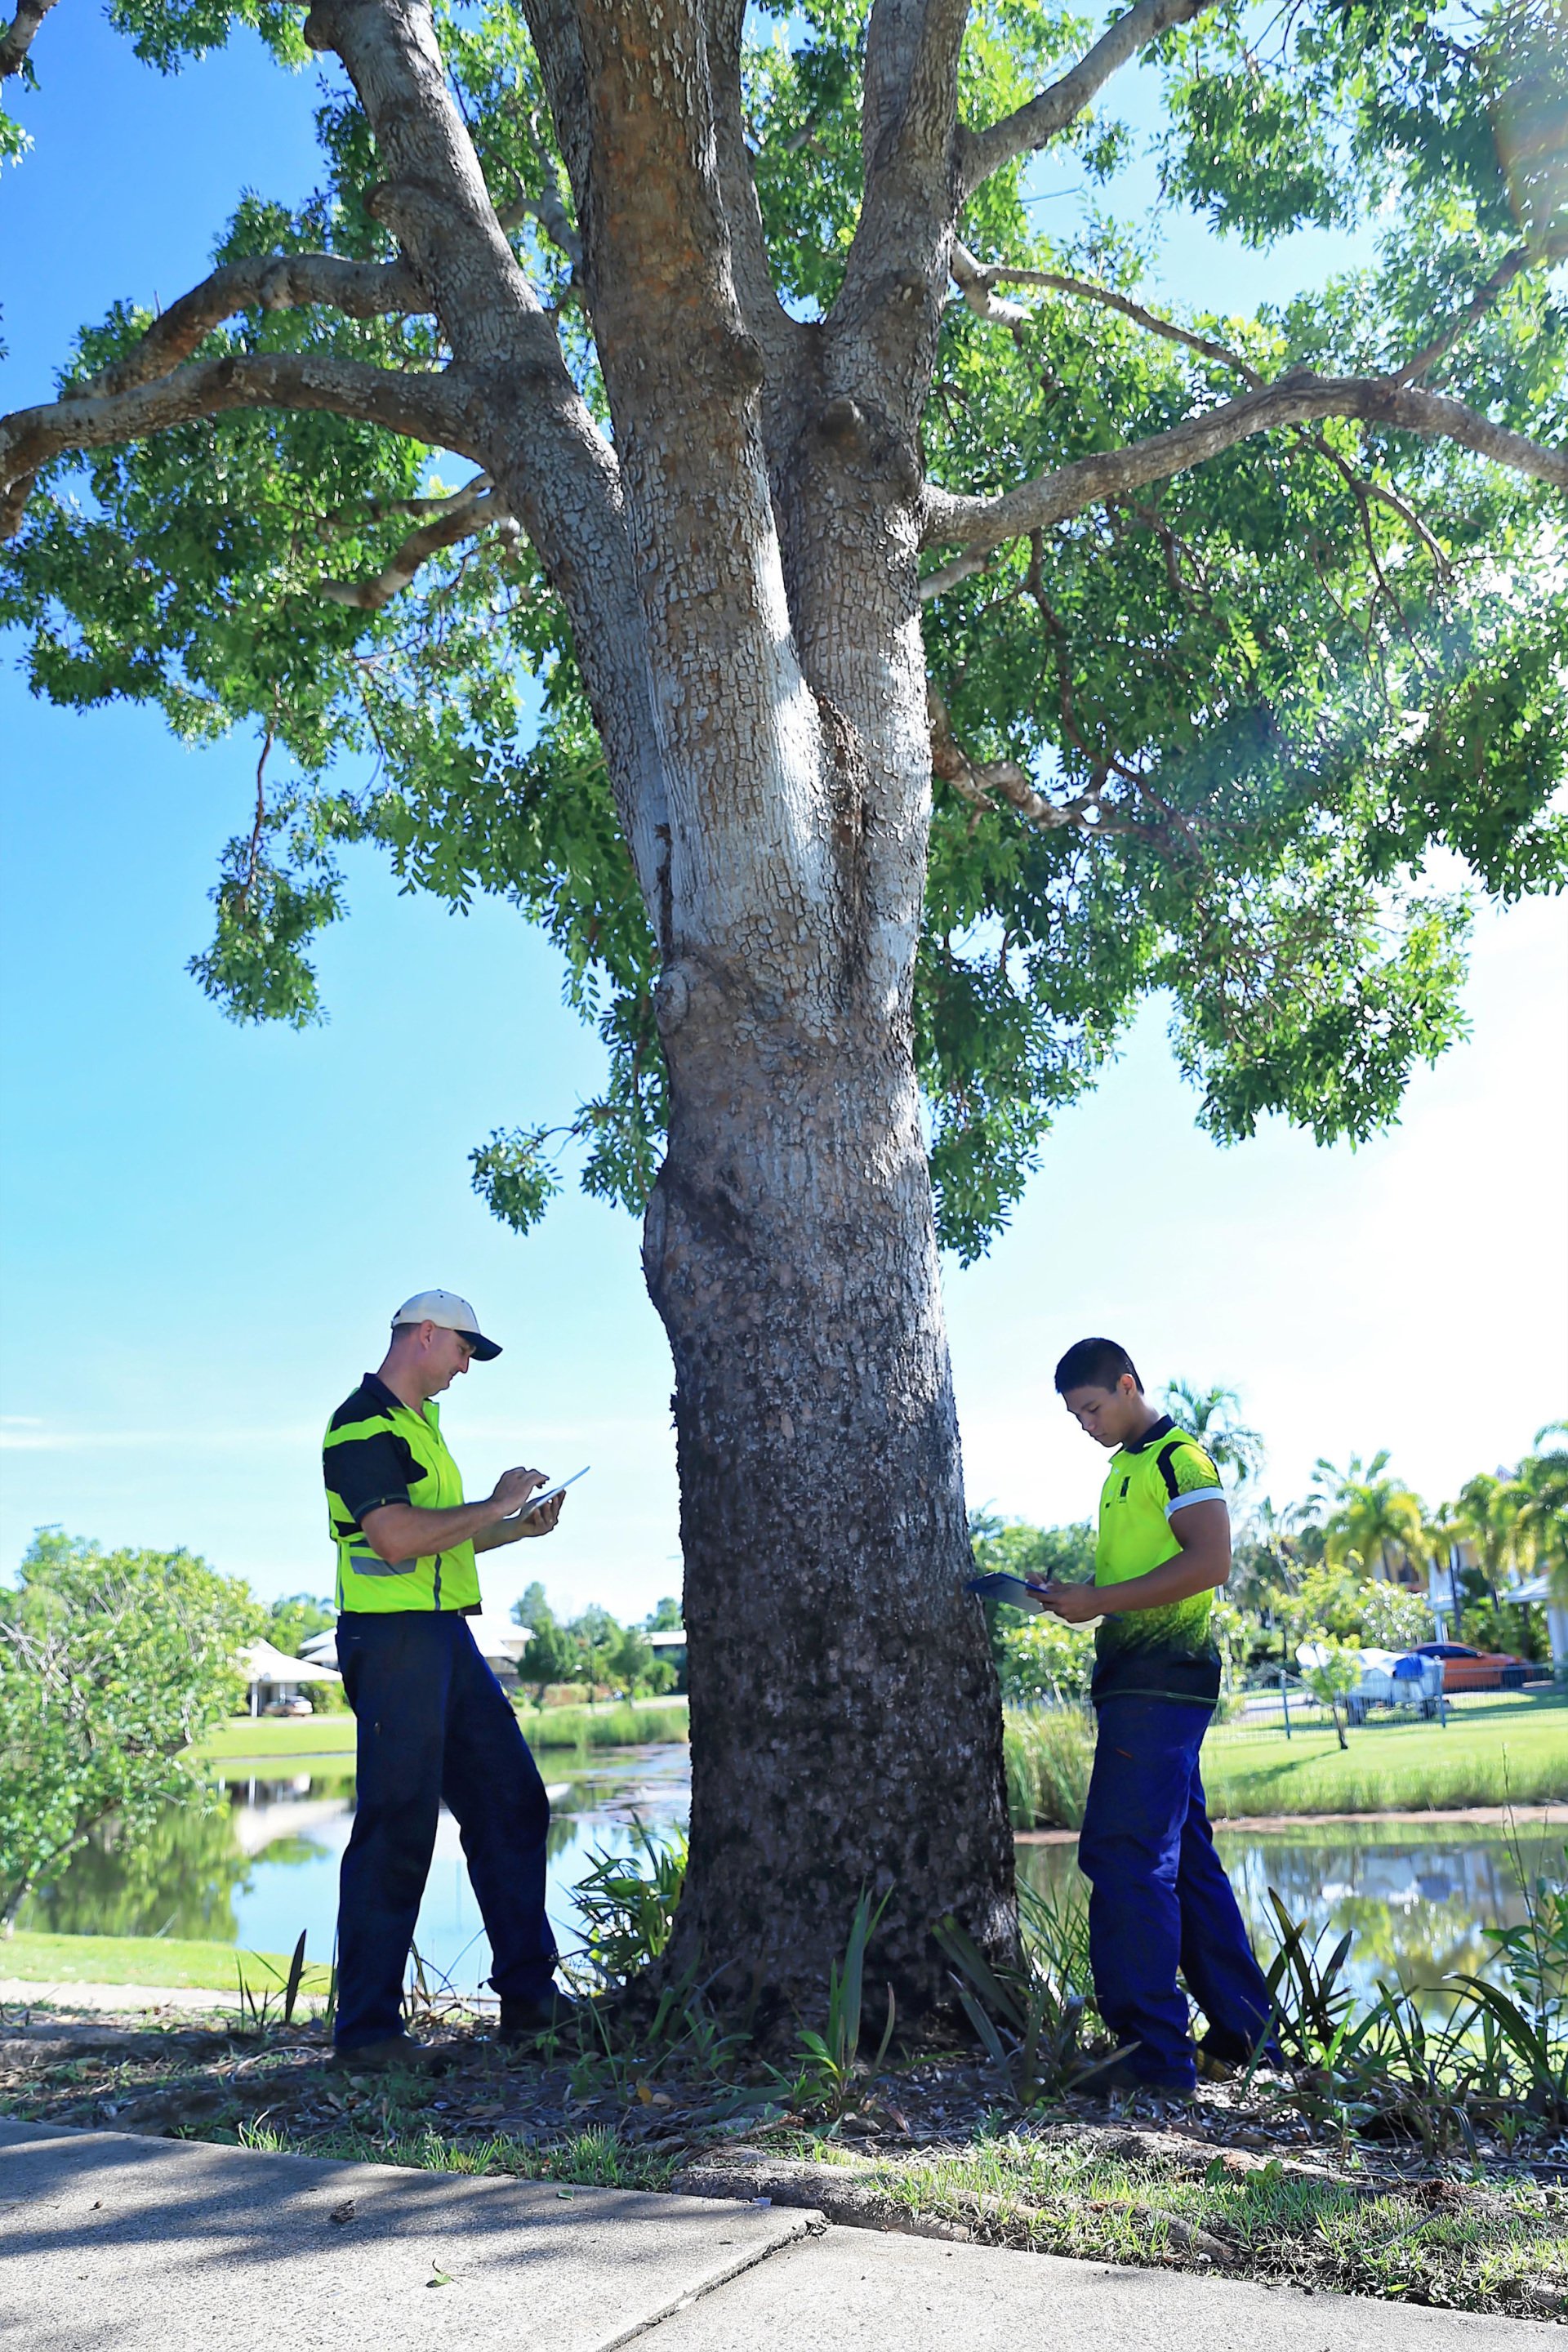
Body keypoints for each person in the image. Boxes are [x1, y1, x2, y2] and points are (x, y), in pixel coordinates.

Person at [323, 1288, 573, 2068]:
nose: (468, 1365)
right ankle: (366, 2036)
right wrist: (493, 1500)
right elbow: (395, 1539)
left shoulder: (421, 1430)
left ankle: (531, 2006)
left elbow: (437, 1541)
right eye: (466, 1348)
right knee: (397, 1827)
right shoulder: (362, 1423)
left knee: (511, 1800)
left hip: (441, 1638)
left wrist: (511, 1527)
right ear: (424, 1335)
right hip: (390, 1644)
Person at [1037, 1335, 1277, 2095]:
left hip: (1163, 1687)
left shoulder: (1180, 1457)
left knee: (1123, 1854)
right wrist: (1076, 1595)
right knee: (1190, 1859)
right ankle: (1247, 2038)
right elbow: (1141, 1574)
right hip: (1136, 1683)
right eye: (1076, 1417)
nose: (1087, 1426)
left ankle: (1151, 2059)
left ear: (1128, 1384)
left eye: (1093, 1408)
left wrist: (1098, 1602)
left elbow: (1210, 1563)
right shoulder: (1125, 1471)